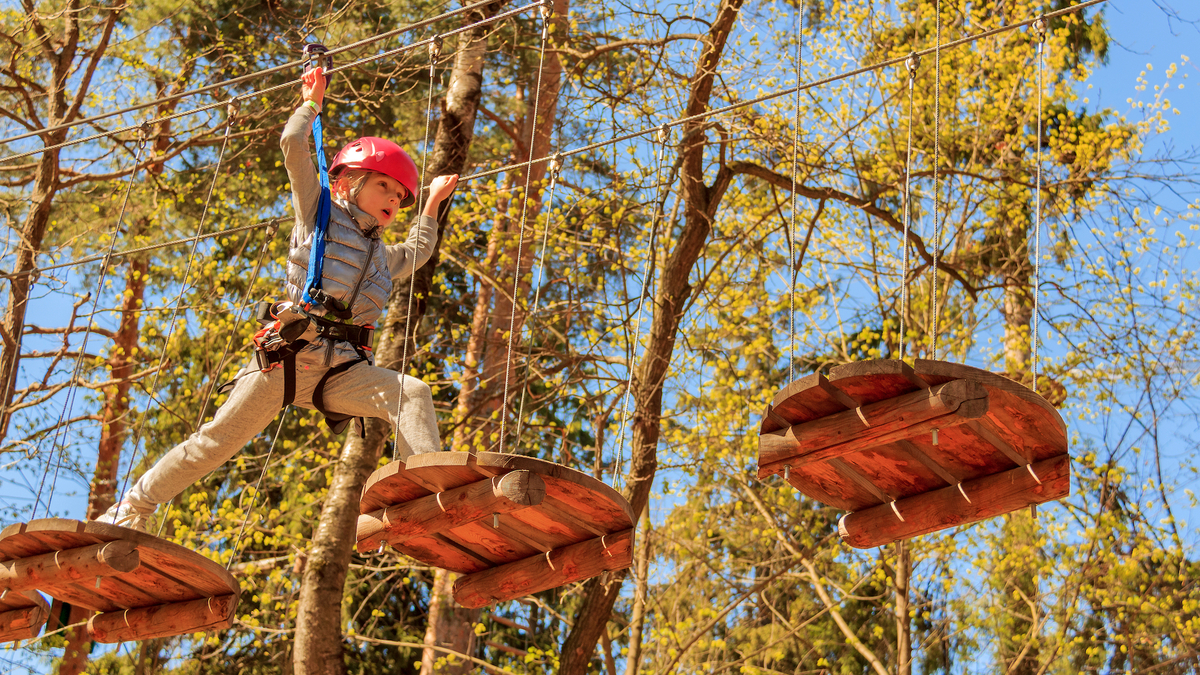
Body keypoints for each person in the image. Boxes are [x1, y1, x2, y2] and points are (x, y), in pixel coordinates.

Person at [99, 66, 458, 531]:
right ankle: (130, 511)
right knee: (214, 444)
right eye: (383, 185)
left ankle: (420, 493)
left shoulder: (383, 258)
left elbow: (420, 250)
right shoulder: (319, 214)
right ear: (349, 182)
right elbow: (293, 147)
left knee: (412, 393)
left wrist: (430, 203)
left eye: (399, 194)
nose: (393, 198)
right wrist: (311, 103)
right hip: (287, 358)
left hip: (340, 373)